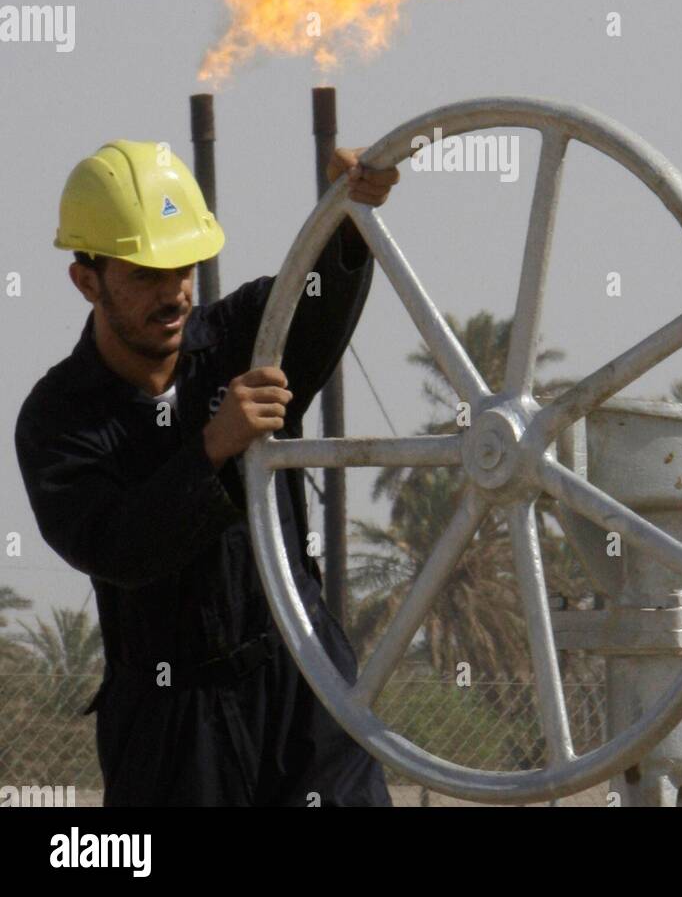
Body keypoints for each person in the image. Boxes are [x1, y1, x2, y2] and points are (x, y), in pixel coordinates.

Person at [15, 137, 400, 807]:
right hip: (171, 726)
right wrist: (211, 449)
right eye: (145, 276)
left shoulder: (245, 335)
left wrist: (347, 215)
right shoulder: (58, 420)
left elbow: (314, 298)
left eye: (184, 269)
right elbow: (120, 548)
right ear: (86, 280)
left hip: (301, 684)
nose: (174, 294)